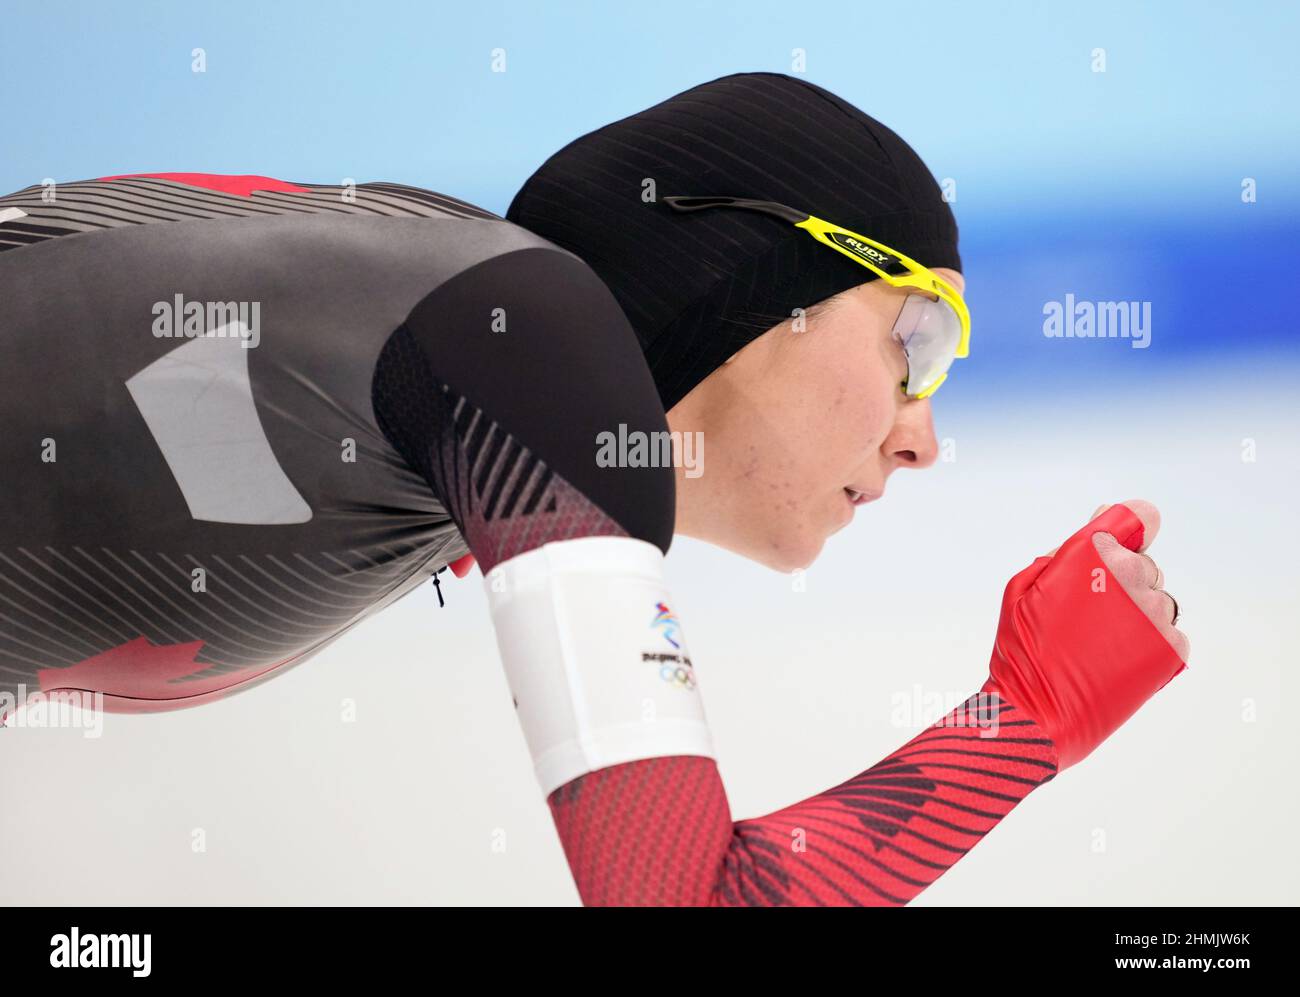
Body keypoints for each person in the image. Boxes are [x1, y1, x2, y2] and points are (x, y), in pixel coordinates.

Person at [0, 73, 1187, 905]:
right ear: (764, 274)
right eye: (921, 342)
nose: (924, 437)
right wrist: (1024, 716)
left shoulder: (446, 357)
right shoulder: (523, 338)